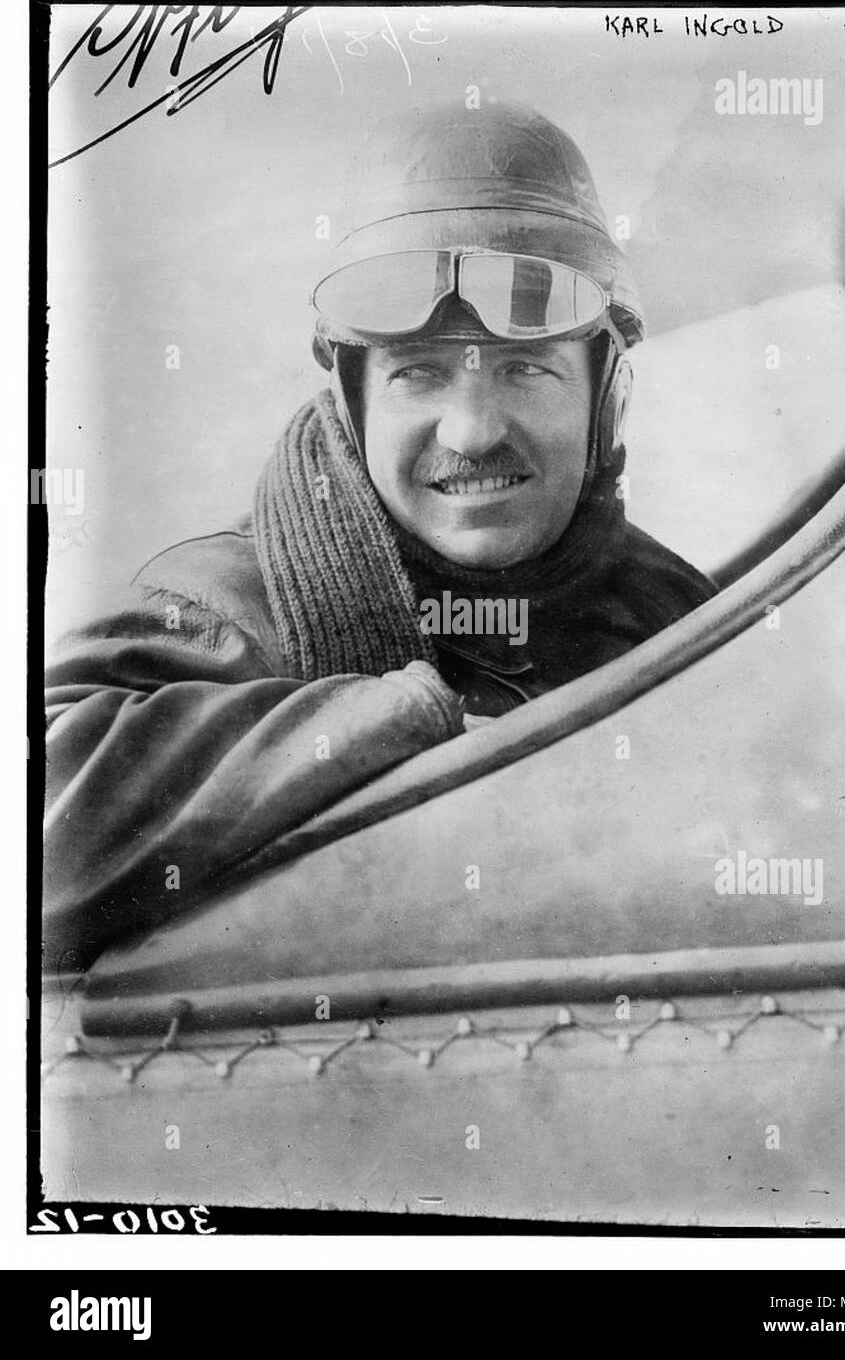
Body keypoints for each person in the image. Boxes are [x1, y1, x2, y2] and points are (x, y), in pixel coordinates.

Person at [44, 100, 716, 969]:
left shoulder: (669, 613)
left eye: (525, 368)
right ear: (356, 403)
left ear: (605, 395)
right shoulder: (226, 607)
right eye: (420, 375)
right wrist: (406, 722)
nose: (472, 432)